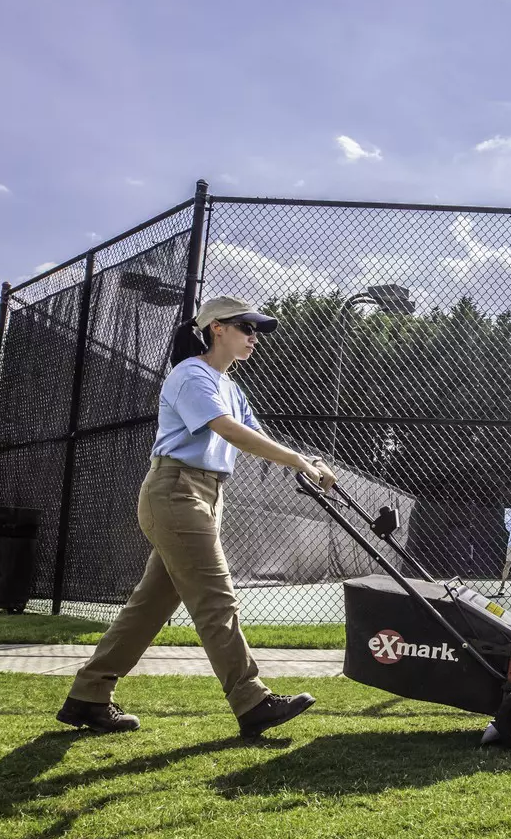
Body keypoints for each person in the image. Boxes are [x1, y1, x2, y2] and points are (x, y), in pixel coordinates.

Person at [56, 295, 338, 737]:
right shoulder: (191, 375)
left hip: (206, 494)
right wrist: (299, 463)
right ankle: (252, 700)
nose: (253, 337)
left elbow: (255, 434)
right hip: (176, 490)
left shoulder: (231, 385)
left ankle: (88, 696)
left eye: (256, 331)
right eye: (246, 328)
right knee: (217, 598)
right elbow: (227, 431)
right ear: (217, 328)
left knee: (149, 607)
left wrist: (308, 460)